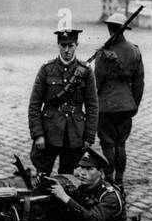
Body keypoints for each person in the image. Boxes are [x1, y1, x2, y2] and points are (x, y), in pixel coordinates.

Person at [28, 28, 99, 175]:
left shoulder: (86, 72)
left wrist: (89, 137)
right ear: (58, 45)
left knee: (68, 176)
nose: (67, 50)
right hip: (49, 131)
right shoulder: (47, 69)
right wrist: (38, 134)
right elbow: (35, 104)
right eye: (63, 45)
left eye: (70, 45)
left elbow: (92, 107)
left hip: (74, 134)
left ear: (76, 45)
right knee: (42, 174)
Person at [94, 13, 145, 190]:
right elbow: (139, 82)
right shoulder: (135, 51)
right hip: (127, 105)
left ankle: (109, 177)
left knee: (107, 143)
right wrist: (134, 105)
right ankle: (119, 178)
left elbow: (97, 82)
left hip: (106, 106)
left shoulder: (103, 53)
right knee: (120, 143)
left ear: (110, 28)